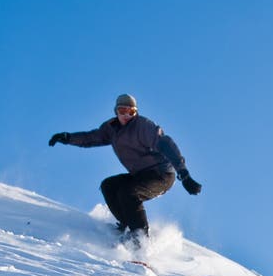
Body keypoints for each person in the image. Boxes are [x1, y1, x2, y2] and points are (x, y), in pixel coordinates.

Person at [49, 93, 201, 243]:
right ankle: (127, 226)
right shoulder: (111, 129)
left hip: (161, 175)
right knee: (109, 186)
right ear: (116, 111)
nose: (127, 115)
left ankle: (140, 240)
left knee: (129, 193)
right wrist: (68, 138)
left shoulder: (143, 126)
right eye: (123, 111)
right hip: (140, 174)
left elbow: (166, 145)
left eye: (132, 111)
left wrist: (184, 174)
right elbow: (91, 138)